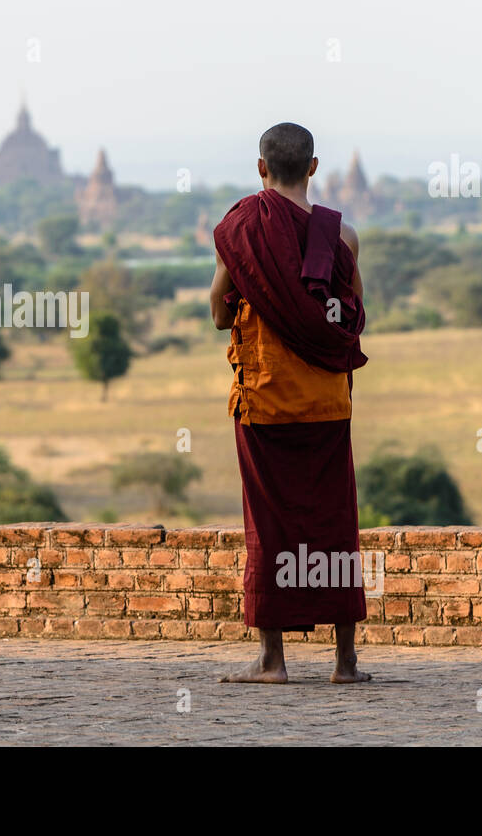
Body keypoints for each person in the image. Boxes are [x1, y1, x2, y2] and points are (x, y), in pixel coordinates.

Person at [209, 122, 371, 684]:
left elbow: (218, 310)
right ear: (313, 167)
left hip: (266, 401)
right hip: (327, 403)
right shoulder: (342, 237)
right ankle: (344, 662)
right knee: (334, 525)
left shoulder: (243, 232)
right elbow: (348, 321)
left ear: (260, 169)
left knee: (269, 526)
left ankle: (272, 661)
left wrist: (254, 304)